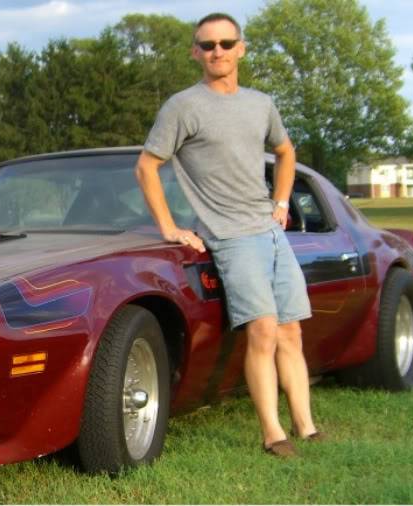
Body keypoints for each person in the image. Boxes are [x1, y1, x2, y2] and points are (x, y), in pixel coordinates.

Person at [135, 12, 321, 457]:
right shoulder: (183, 106)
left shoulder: (260, 104)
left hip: (270, 232)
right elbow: (147, 165)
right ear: (194, 52)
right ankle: (273, 434)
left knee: (290, 331)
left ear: (241, 48)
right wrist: (169, 226)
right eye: (207, 45)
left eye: (225, 43)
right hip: (230, 236)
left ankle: (307, 426)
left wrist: (280, 202)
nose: (216, 51)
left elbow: (285, 150)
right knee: (262, 330)